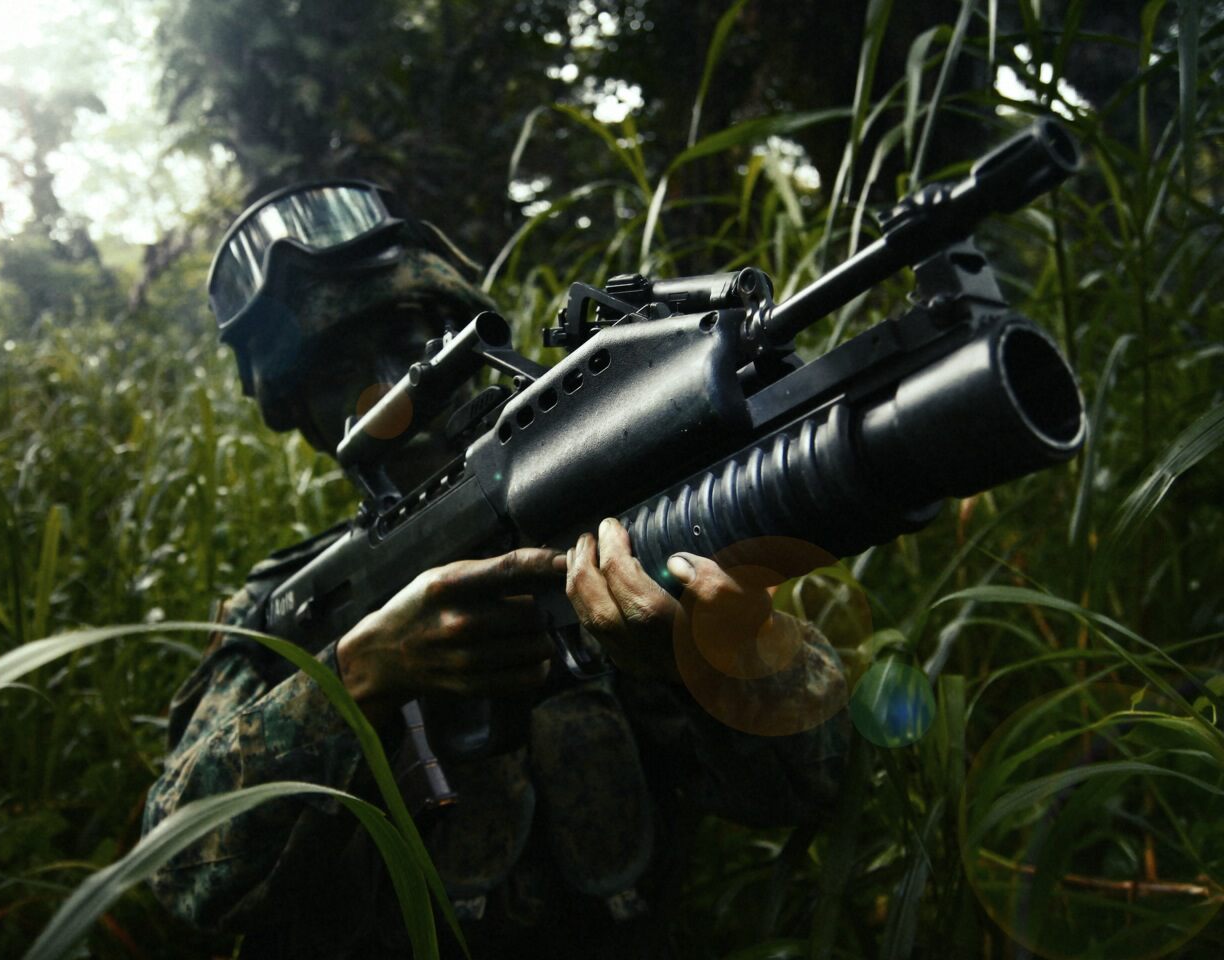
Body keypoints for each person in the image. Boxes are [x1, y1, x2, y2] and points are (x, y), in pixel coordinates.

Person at [142, 180, 850, 959]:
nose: (390, 384)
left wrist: (716, 660)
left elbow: (817, 782)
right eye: (341, 369)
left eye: (412, 338)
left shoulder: (606, 502)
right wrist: (362, 677)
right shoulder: (292, 609)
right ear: (305, 415)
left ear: (462, 338)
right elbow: (181, 869)